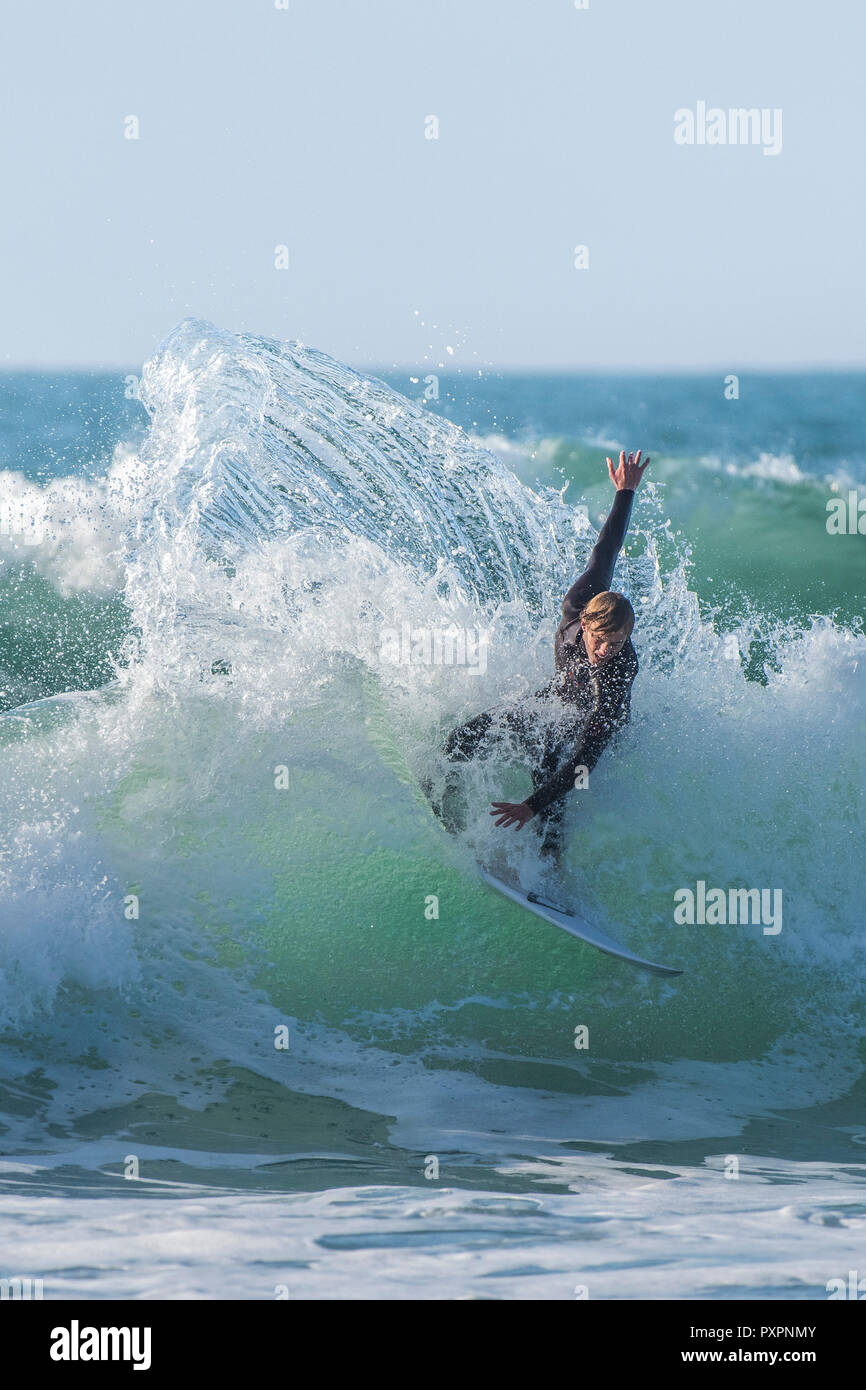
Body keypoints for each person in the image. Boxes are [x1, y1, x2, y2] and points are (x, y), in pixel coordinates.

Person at [429, 448, 649, 862]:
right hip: (559, 697)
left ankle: (549, 870)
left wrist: (531, 804)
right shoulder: (580, 603)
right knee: (468, 736)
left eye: (617, 644)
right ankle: (440, 794)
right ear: (585, 623)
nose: (607, 651)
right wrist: (626, 491)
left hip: (597, 723)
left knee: (553, 771)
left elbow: (587, 756)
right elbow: (606, 550)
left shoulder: (616, 676)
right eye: (602, 640)